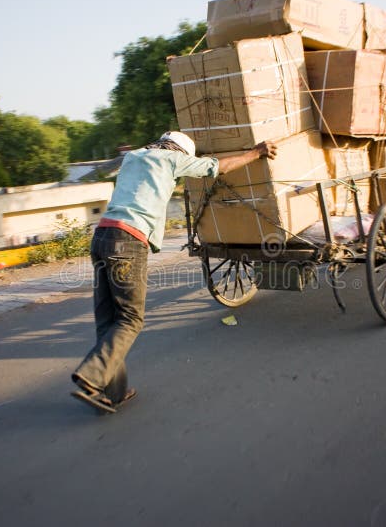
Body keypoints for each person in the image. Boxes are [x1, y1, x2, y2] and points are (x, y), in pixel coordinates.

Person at [71, 131, 278, 413]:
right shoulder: (171, 159)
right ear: (180, 152)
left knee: (109, 320)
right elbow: (216, 167)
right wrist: (257, 152)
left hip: (102, 236)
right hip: (128, 241)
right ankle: (91, 375)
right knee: (131, 318)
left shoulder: (133, 157)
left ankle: (114, 392)